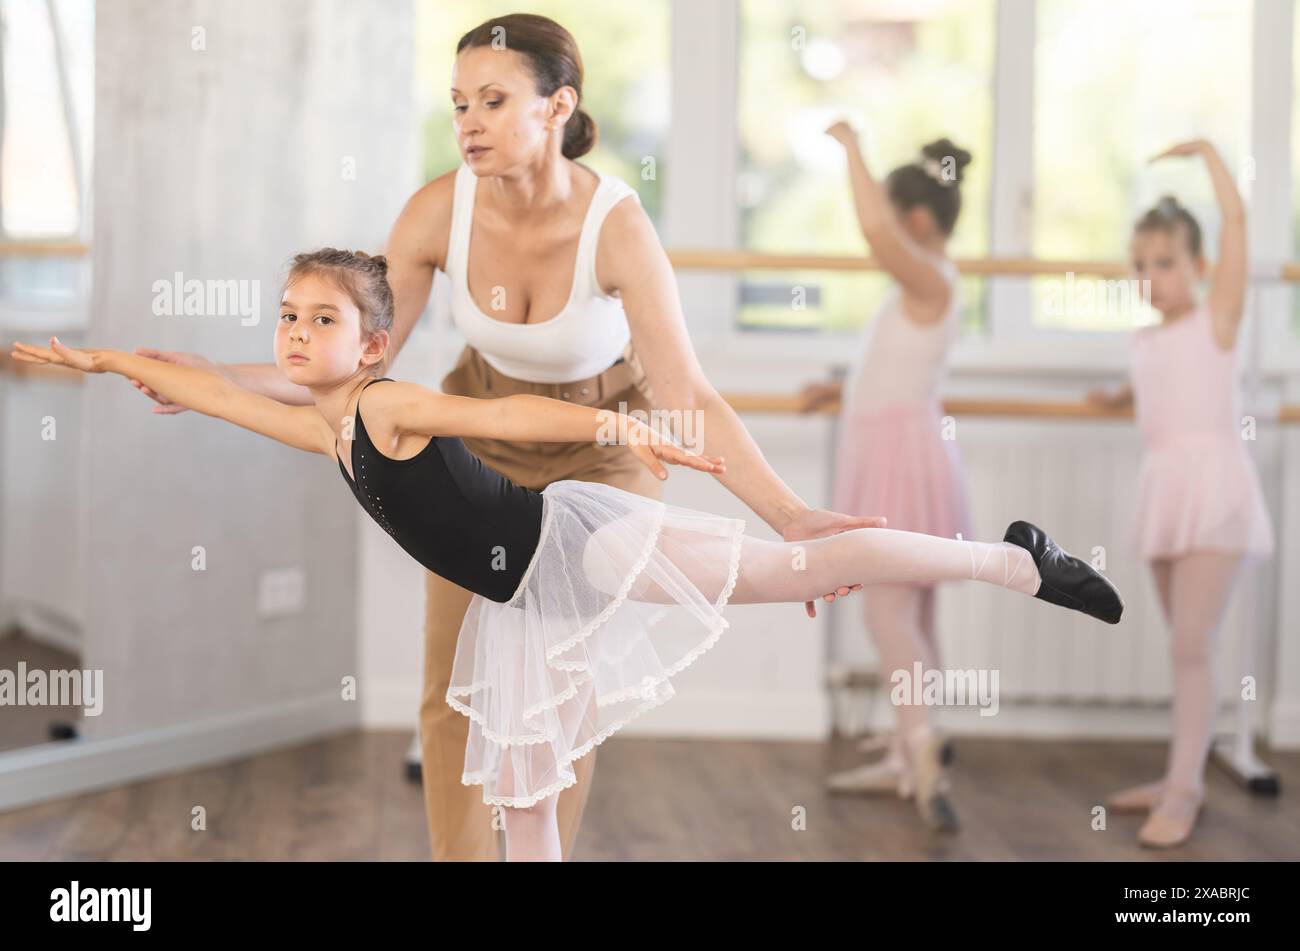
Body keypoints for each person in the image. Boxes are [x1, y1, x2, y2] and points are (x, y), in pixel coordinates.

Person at [13, 246, 1125, 861]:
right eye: (287, 317)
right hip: (524, 601)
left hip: (577, 547)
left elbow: (507, 424)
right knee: (525, 793)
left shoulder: (391, 404)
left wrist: (611, 427)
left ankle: (1016, 563)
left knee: (800, 568)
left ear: (374, 343)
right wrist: (108, 361)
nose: (296, 336)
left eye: (321, 320)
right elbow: (213, 393)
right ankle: (1007, 563)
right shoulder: (324, 422)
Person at [121, 13, 882, 861]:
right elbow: (351, 367)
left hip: (602, 439)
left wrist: (789, 515)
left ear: (559, 107)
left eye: (492, 100)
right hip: (478, 428)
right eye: (458, 103)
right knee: (456, 683)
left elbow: (688, 393)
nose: (468, 122)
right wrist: (210, 379)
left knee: (558, 683)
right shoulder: (436, 210)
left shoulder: (617, 226)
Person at [1086, 139, 1274, 848]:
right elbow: (1151, 391)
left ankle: (1187, 790)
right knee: (1181, 646)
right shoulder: (1144, 340)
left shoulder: (1215, 321)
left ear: (1197, 267)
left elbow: (1238, 224)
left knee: (1194, 644)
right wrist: (1109, 397)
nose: (1151, 278)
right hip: (1165, 491)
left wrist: (1209, 156)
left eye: (1165, 263)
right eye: (1140, 266)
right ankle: (1176, 775)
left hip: (1214, 494)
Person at [799, 127, 974, 832]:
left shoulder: (930, 276)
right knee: (915, 613)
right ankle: (910, 752)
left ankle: (922, 745)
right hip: (903, 448)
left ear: (918, 222)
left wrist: (849, 148)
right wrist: (837, 389)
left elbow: (875, 232)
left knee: (888, 612)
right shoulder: (923, 286)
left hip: (899, 457)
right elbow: (890, 367)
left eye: (894, 216)